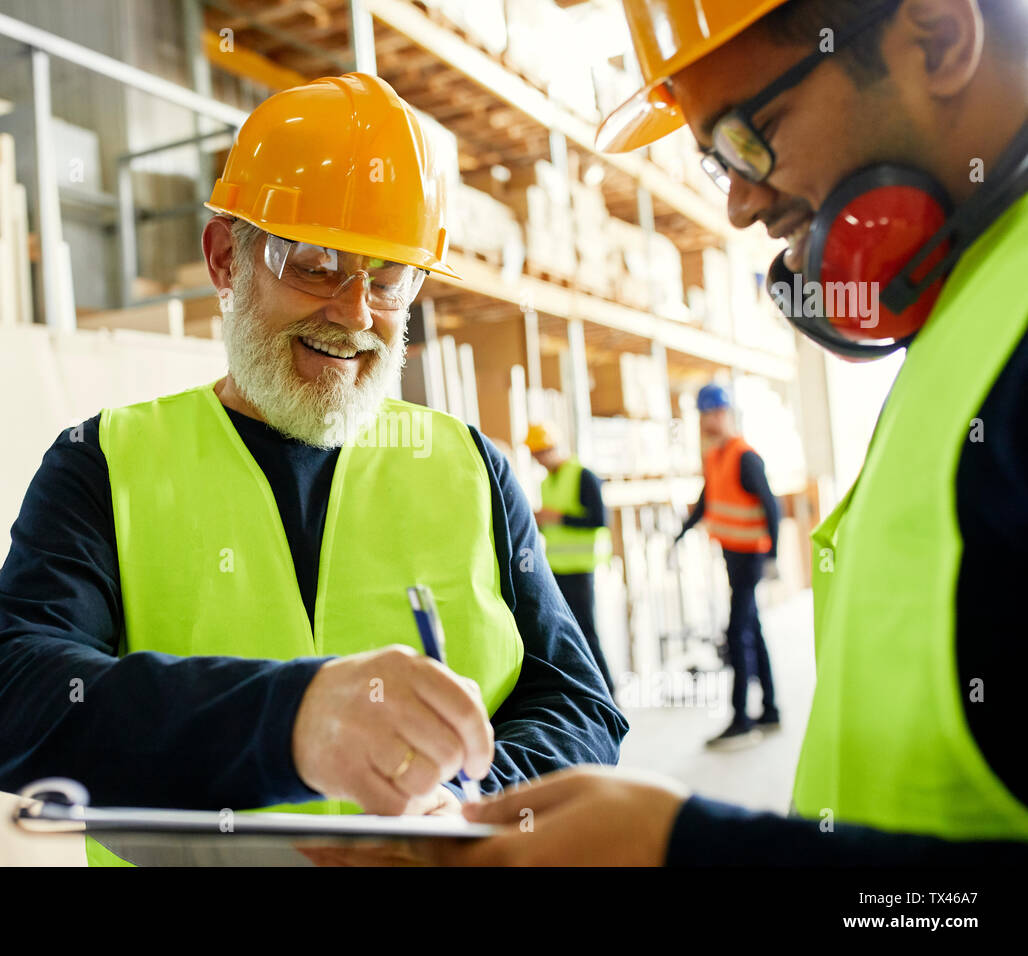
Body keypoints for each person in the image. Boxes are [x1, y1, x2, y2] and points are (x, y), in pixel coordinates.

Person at [0, 73, 626, 866]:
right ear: (224, 259)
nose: (353, 311)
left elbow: (579, 705)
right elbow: (3, 704)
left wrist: (474, 802)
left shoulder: (473, 469)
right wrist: (290, 721)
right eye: (313, 263)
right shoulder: (104, 465)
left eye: (388, 276)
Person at [419, 0, 1028, 865]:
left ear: (938, 39)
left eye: (753, 133)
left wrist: (689, 851)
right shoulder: (972, 308)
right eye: (717, 163)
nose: (741, 205)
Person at [675, 384, 781, 749]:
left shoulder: (744, 456)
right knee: (752, 629)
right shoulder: (716, 456)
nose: (708, 421)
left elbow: (772, 506)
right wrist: (683, 531)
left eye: (713, 413)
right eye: (703, 415)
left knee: (737, 633)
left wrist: (773, 557)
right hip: (732, 556)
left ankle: (742, 719)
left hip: (751, 556)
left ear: (726, 414)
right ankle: (770, 709)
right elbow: (709, 498)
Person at [525, 422, 616, 692]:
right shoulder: (547, 482)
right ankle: (584, 691)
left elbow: (599, 519)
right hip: (557, 569)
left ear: (554, 448)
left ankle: (607, 691)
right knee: (567, 633)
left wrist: (558, 517)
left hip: (581, 567)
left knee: (587, 631)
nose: (540, 460)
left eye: (542, 453)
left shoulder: (583, 476)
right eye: (536, 455)